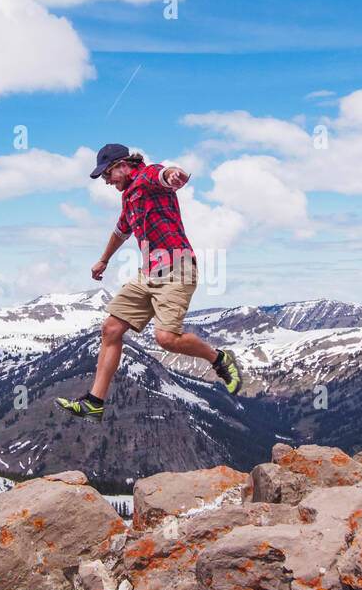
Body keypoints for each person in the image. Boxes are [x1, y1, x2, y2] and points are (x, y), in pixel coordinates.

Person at [55, 142, 241, 420]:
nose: (106, 182)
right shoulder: (128, 195)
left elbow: (164, 175)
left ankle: (219, 359)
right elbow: (121, 230)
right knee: (111, 328)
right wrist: (104, 259)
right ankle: (95, 401)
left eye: (108, 175)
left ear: (123, 165)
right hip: (149, 272)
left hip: (177, 267)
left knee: (166, 338)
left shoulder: (145, 176)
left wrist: (174, 174)